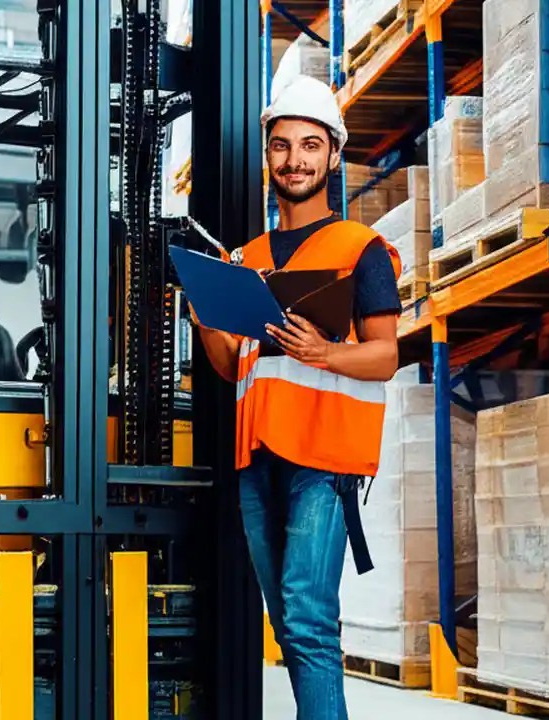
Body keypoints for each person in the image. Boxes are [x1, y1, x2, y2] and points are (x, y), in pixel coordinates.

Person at [195, 74, 402, 718]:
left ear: (333, 155)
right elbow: (233, 368)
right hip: (257, 458)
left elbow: (386, 357)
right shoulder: (247, 258)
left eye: (311, 146)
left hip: (324, 458)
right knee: (288, 624)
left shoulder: (359, 250)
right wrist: (206, 318)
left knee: (308, 619)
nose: (295, 160)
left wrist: (325, 352)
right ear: (268, 155)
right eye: (282, 146)